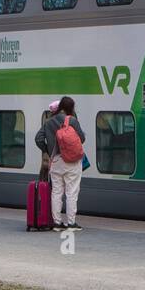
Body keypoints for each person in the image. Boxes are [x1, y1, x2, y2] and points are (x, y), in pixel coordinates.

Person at [35, 96, 86, 231]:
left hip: (56, 161)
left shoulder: (49, 122)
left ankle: (57, 223)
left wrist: (48, 150)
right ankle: (71, 223)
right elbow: (82, 138)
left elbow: (38, 138)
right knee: (71, 192)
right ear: (70, 108)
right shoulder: (72, 120)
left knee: (56, 191)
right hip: (71, 162)